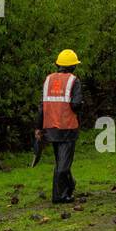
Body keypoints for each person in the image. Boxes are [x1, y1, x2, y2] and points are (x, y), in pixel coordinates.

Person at [36, 49, 83, 204]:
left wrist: (38, 127)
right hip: (68, 127)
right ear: (73, 66)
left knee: (61, 161)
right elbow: (76, 104)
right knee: (63, 164)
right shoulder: (73, 81)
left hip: (50, 127)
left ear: (58, 65)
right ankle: (59, 196)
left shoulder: (48, 80)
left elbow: (41, 106)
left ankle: (68, 186)